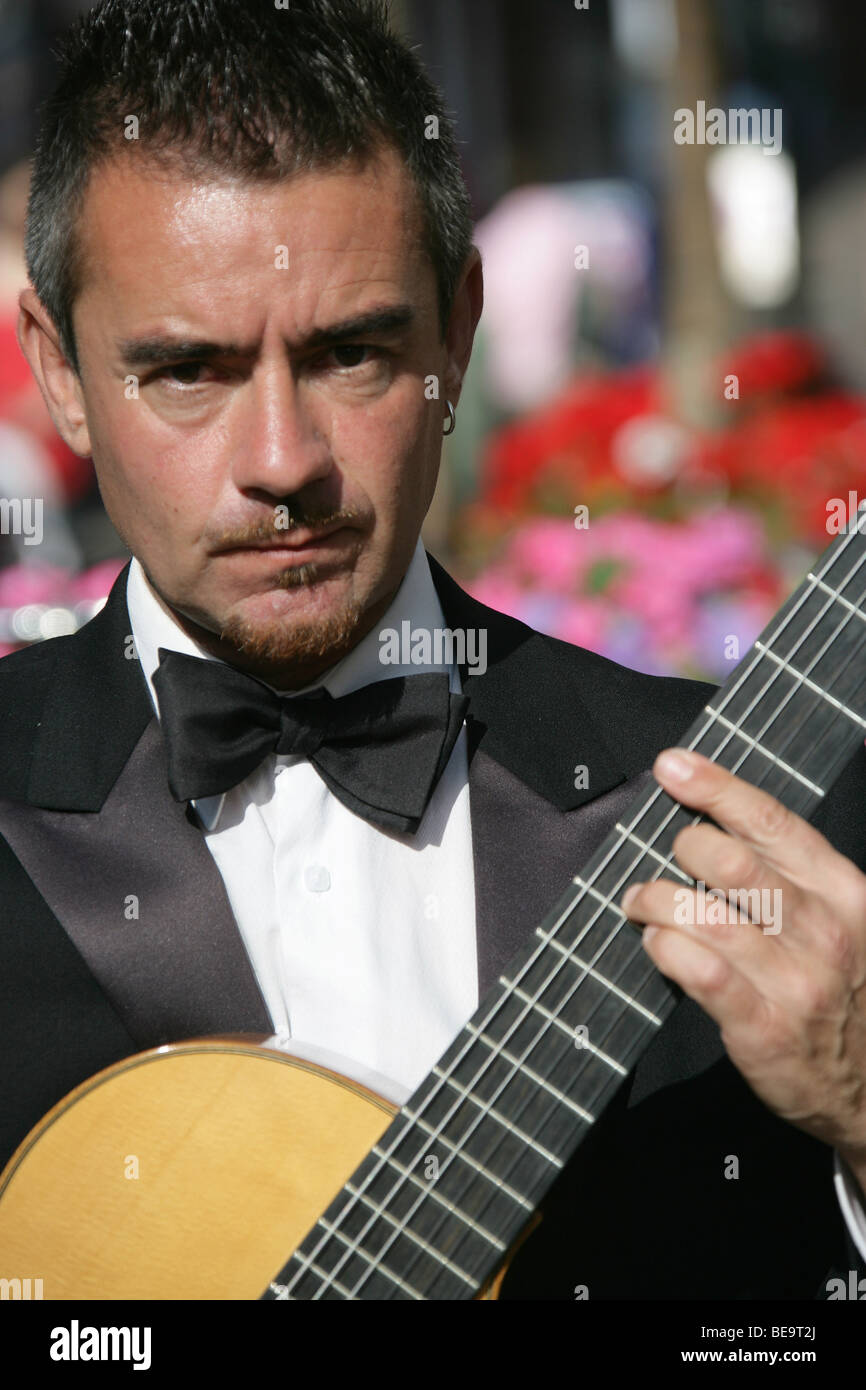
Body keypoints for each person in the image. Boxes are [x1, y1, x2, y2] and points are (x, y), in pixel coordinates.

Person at [1, 0, 865, 1300]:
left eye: (353, 352)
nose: (281, 461)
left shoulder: (754, 814)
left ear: (457, 332)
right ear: (57, 369)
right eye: (187, 370)